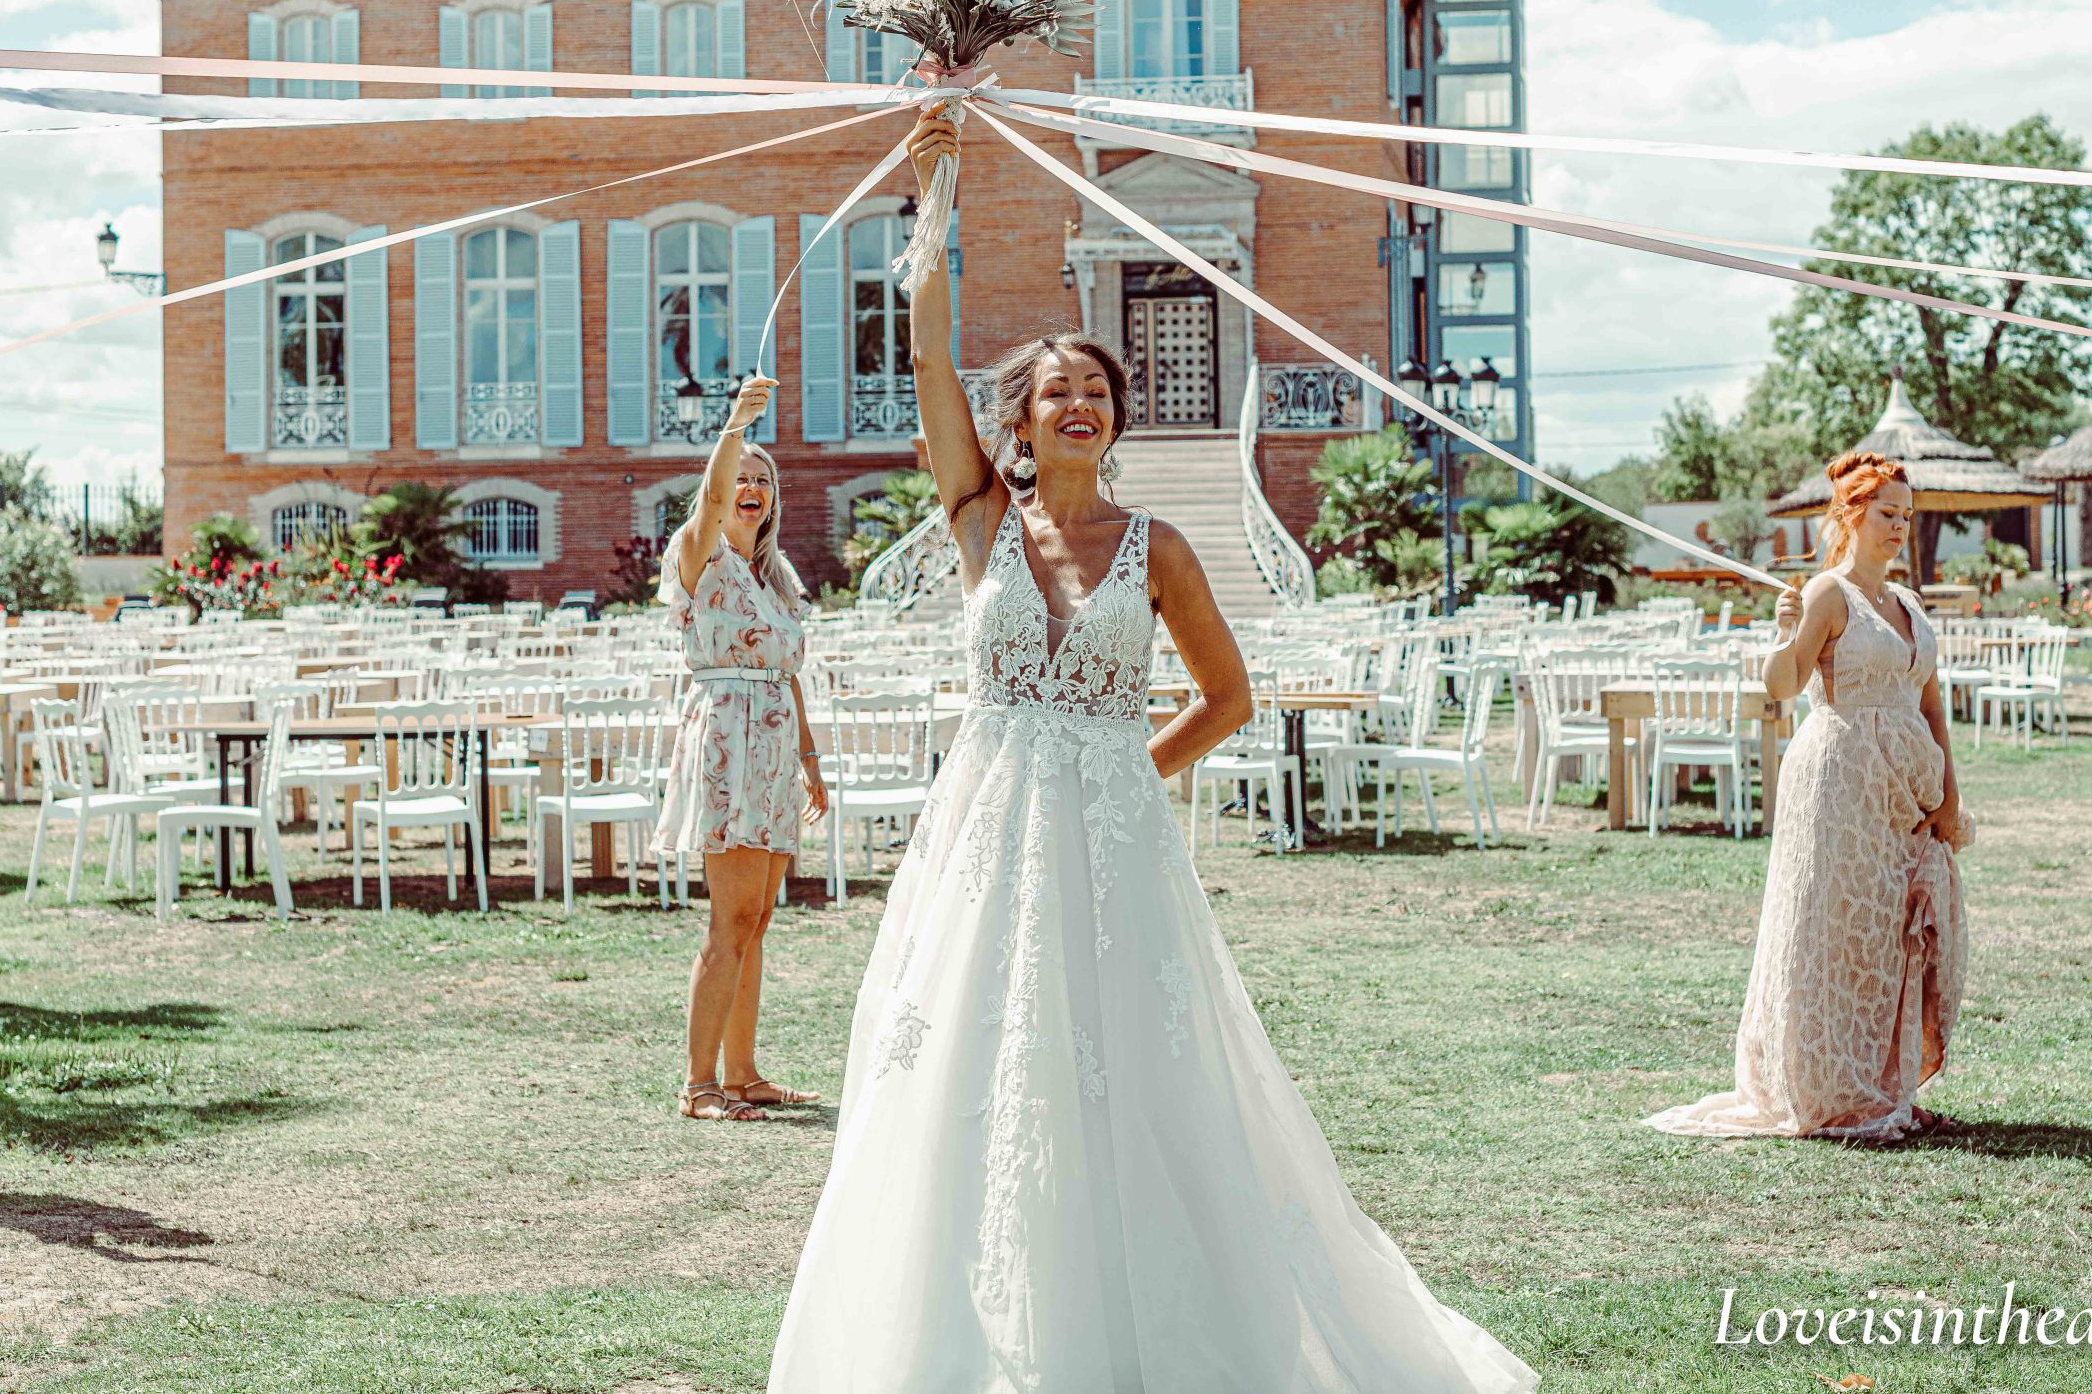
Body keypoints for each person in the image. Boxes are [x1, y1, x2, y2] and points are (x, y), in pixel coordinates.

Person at [767, 108, 1537, 1392]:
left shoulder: (1159, 548)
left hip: (1115, 840)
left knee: (1134, 1065)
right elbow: (929, 357)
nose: (1079, 402)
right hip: (989, 830)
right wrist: (934, 186)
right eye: (1058, 388)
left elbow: (1228, 697)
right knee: (968, 1048)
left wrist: (1131, 773)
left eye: (1097, 390)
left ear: (1116, 421)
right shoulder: (978, 520)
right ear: (1024, 417)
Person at [1648, 450, 1970, 1143]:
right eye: (1888, 513)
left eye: (1907, 516)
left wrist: (1949, 795)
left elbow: (1933, 707)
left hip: (1901, 797)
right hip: (1837, 784)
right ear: (1852, 514)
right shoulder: (1829, 593)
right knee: (1829, 934)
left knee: (1885, 940)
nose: (1899, 527)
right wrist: (1783, 628)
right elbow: (1785, 684)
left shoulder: (1909, 605)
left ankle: (1883, 1083)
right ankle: (1822, 1085)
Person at [652, 377, 829, 1123]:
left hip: (774, 751)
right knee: (728, 919)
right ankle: (699, 1084)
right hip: (725, 743)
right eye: (742, 479)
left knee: (758, 916)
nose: (750, 488)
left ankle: (745, 1070)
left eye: (763, 480)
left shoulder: (776, 575)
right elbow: (710, 495)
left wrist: (812, 762)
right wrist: (735, 426)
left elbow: (789, 675)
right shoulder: (700, 553)